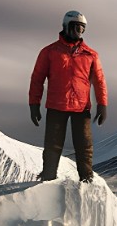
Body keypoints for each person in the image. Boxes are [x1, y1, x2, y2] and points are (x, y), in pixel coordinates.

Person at [29, 10, 108, 182]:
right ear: (66, 26)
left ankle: (86, 178)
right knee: (53, 145)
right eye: (76, 27)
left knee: (84, 145)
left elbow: (99, 80)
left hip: (81, 106)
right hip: (57, 105)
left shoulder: (91, 55)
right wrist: (34, 104)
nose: (79, 31)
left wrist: (103, 104)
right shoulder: (49, 52)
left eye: (82, 28)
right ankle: (48, 177)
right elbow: (37, 79)